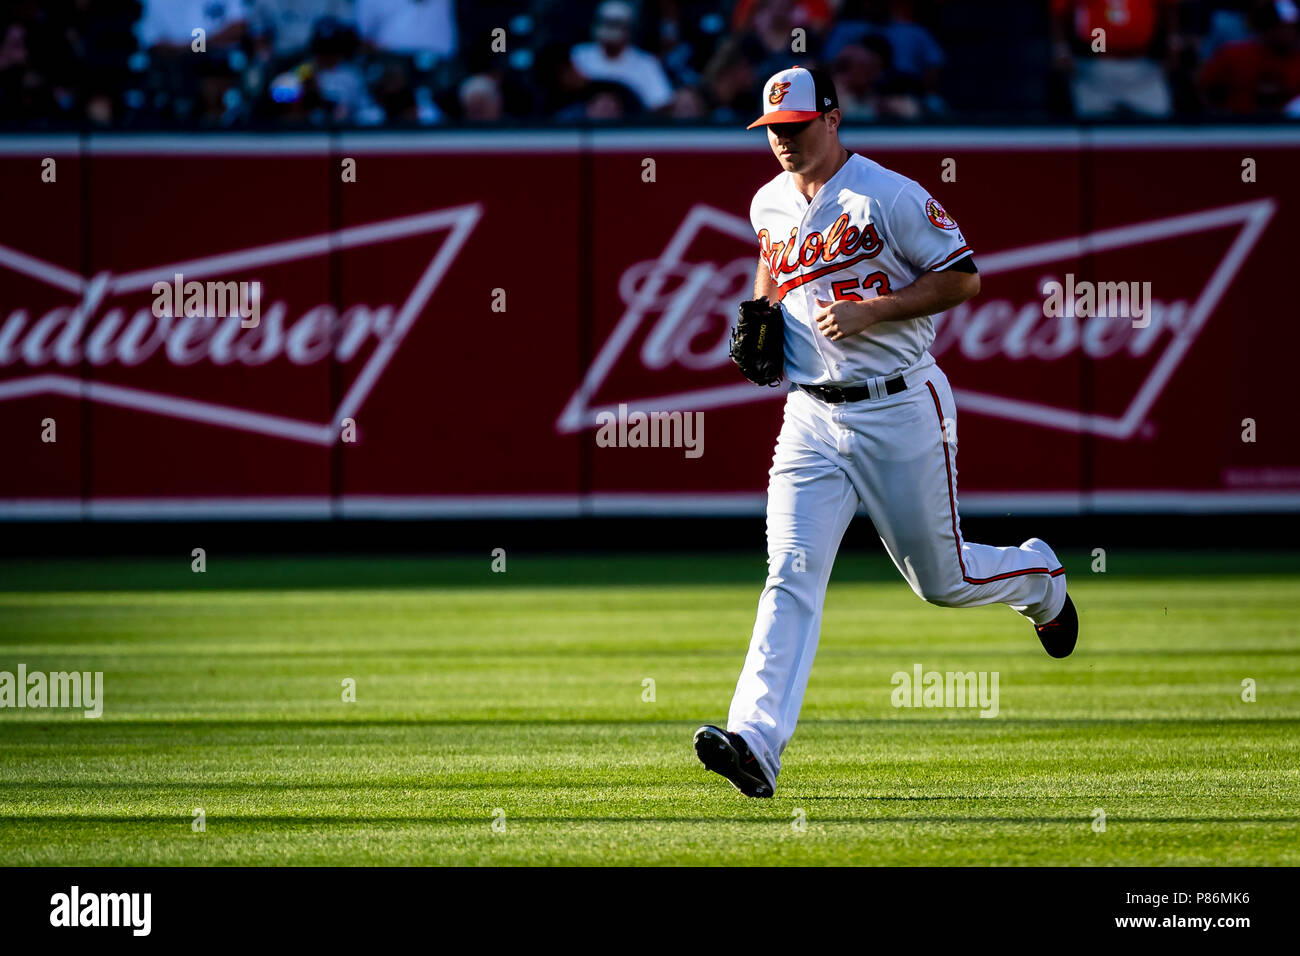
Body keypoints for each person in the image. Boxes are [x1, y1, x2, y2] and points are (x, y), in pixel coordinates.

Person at [694, 66, 1079, 799]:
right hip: (810, 416)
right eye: (773, 129)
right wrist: (756, 306)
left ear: (833, 121)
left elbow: (964, 277)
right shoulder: (767, 201)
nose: (783, 140)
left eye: (797, 127)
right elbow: (772, 258)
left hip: (899, 406)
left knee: (944, 581)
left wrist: (880, 309)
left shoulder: (889, 195)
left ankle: (1041, 577)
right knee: (790, 573)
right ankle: (754, 740)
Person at [569, 0, 673, 112]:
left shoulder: (646, 63)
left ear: (628, 29)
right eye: (605, 22)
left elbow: (661, 103)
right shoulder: (579, 55)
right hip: (585, 126)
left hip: (629, 127)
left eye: (615, 24)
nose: (610, 29)